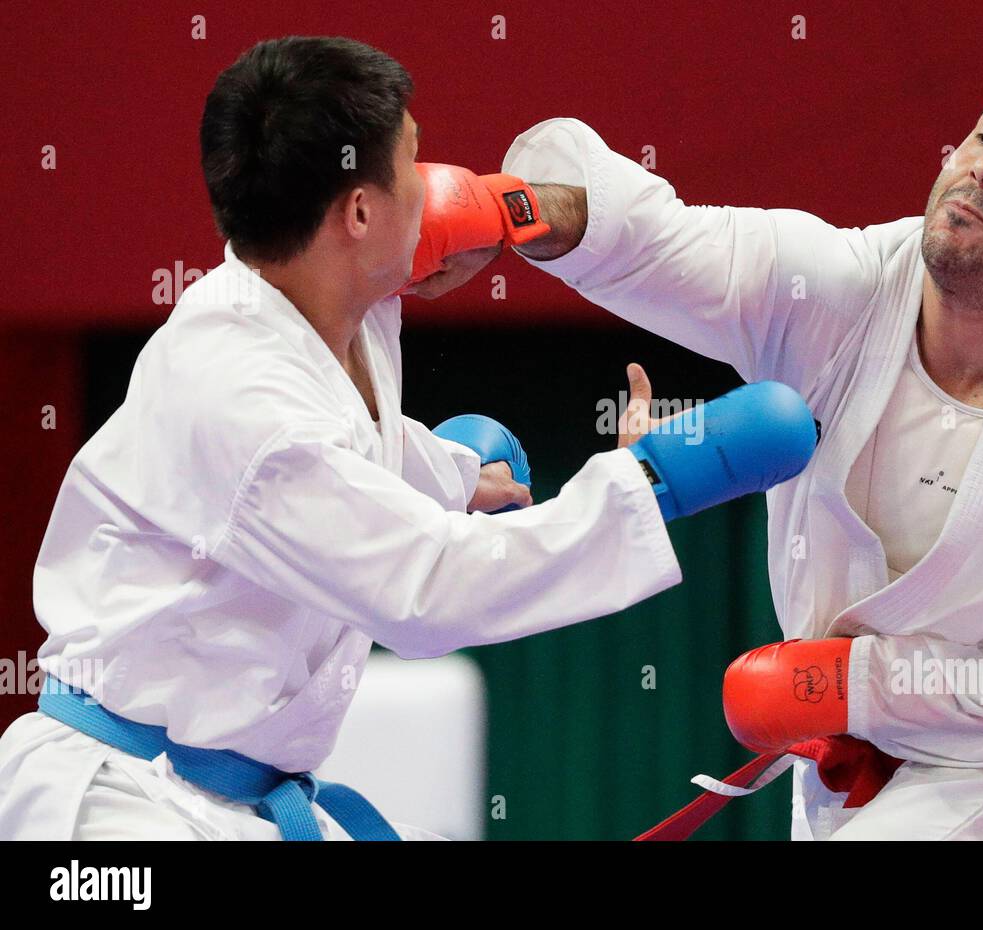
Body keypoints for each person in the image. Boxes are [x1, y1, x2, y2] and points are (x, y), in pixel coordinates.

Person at [0, 36, 815, 841]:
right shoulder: (242, 397)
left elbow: (339, 454)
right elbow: (430, 591)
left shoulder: (328, 300)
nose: (431, 190)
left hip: (227, 798)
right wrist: (649, 481)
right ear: (358, 210)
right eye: (410, 166)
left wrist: (453, 472)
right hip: (116, 811)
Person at [499, 50, 983, 839]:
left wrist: (865, 685)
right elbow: (653, 241)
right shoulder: (835, 293)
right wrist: (499, 210)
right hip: (850, 778)